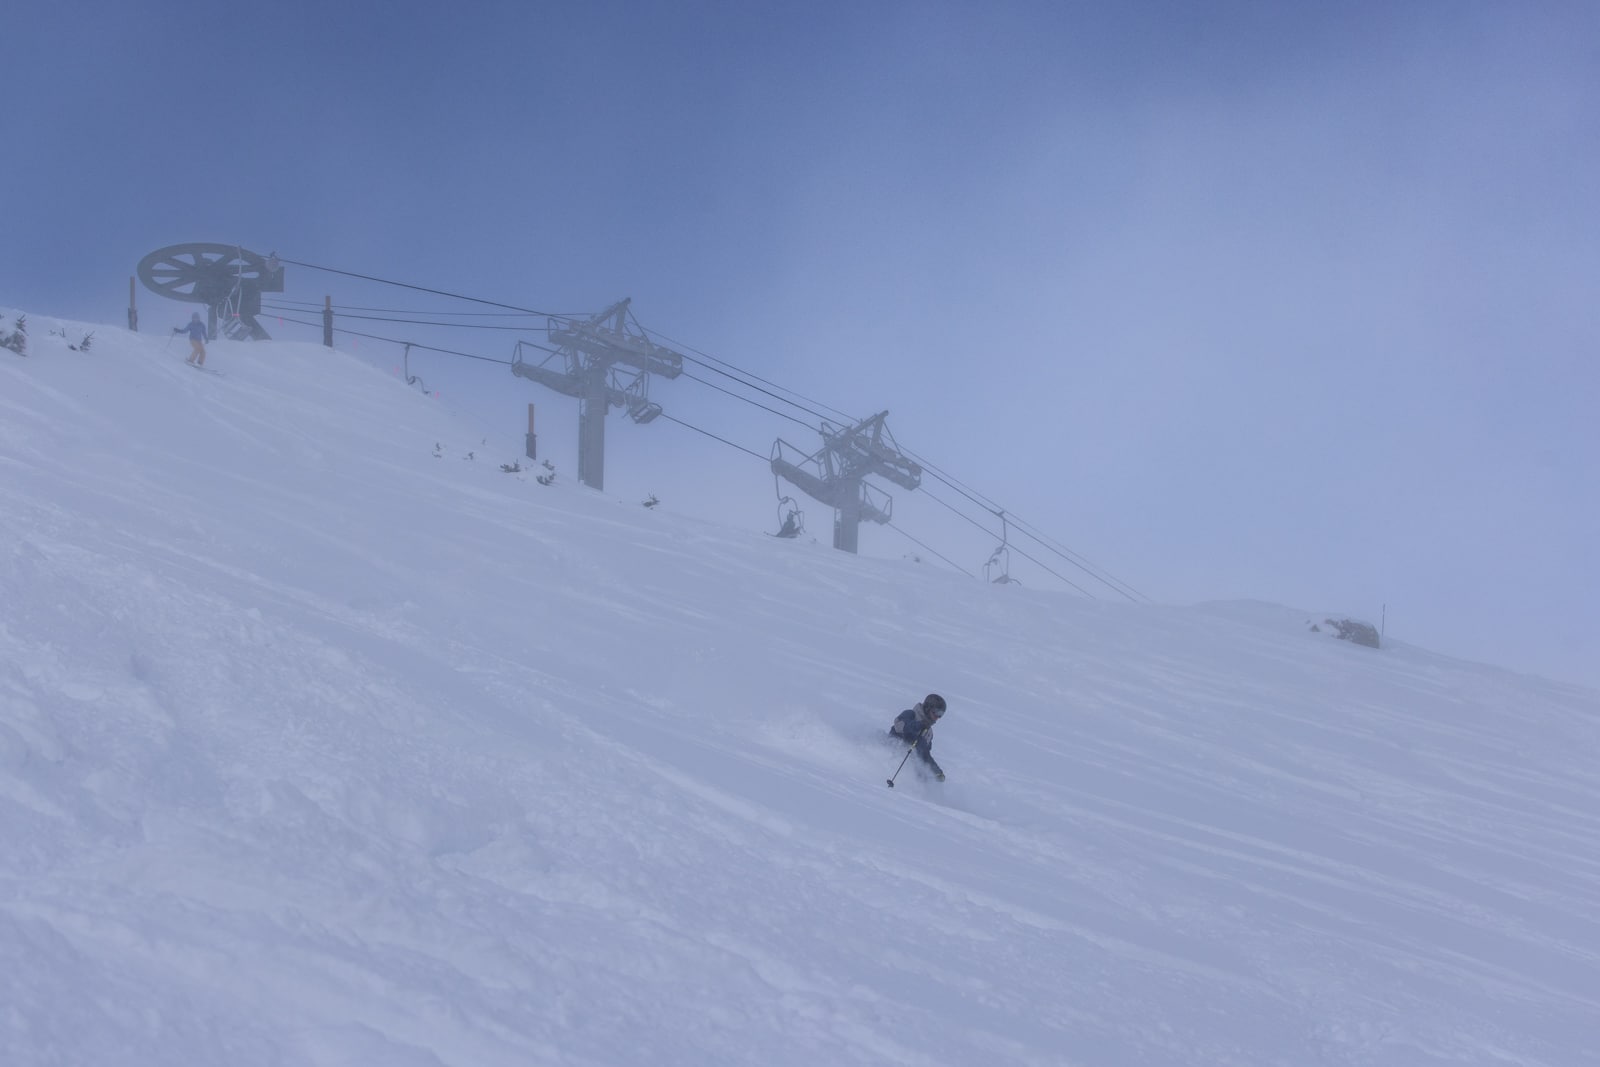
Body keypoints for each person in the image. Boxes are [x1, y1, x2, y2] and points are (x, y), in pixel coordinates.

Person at [889, 693, 947, 781]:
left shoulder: (929, 732)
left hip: (909, 765)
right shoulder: (910, 714)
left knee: (924, 779)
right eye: (936, 712)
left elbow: (925, 755)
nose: (937, 717)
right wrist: (919, 725)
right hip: (891, 755)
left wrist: (937, 771)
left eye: (941, 714)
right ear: (928, 708)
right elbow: (900, 727)